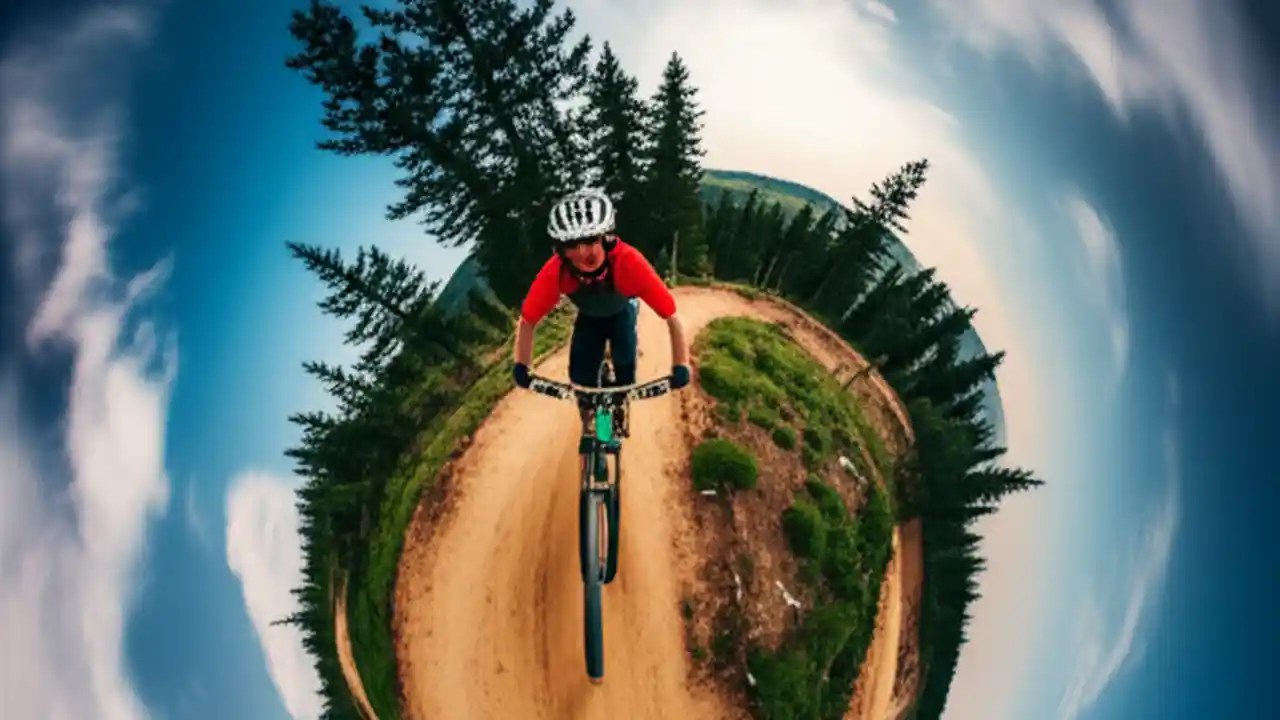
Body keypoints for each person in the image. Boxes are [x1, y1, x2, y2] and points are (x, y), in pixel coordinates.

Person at [511, 188, 691, 432]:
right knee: (580, 379)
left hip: (621, 314)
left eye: (591, 240)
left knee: (625, 367)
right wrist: (522, 364)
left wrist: (681, 364)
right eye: (574, 245)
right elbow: (528, 320)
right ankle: (589, 420)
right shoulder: (556, 272)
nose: (585, 251)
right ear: (561, 251)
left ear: (605, 238)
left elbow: (672, 317)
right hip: (590, 320)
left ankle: (620, 406)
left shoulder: (629, 262)